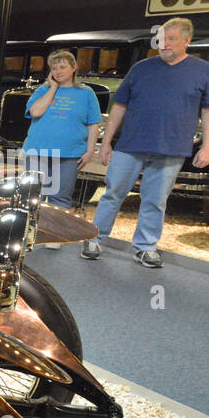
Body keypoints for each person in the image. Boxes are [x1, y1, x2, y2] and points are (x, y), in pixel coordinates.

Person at [82, 17, 209, 267]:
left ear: (187, 40)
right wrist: (106, 142)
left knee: (155, 200)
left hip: (171, 148)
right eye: (161, 39)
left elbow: (207, 111)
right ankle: (96, 238)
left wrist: (207, 146)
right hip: (130, 146)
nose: (164, 44)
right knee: (112, 193)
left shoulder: (202, 70)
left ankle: (146, 247)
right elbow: (118, 107)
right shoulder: (141, 68)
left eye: (171, 39)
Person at [21, 50, 101, 247]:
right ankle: (31, 232)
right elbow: (36, 111)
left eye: (63, 66)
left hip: (69, 153)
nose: (58, 70)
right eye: (54, 67)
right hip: (37, 150)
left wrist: (90, 150)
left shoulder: (86, 93)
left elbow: (93, 124)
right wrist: (53, 88)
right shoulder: (42, 90)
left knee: (61, 195)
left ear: (74, 68)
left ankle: (53, 235)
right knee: (33, 193)